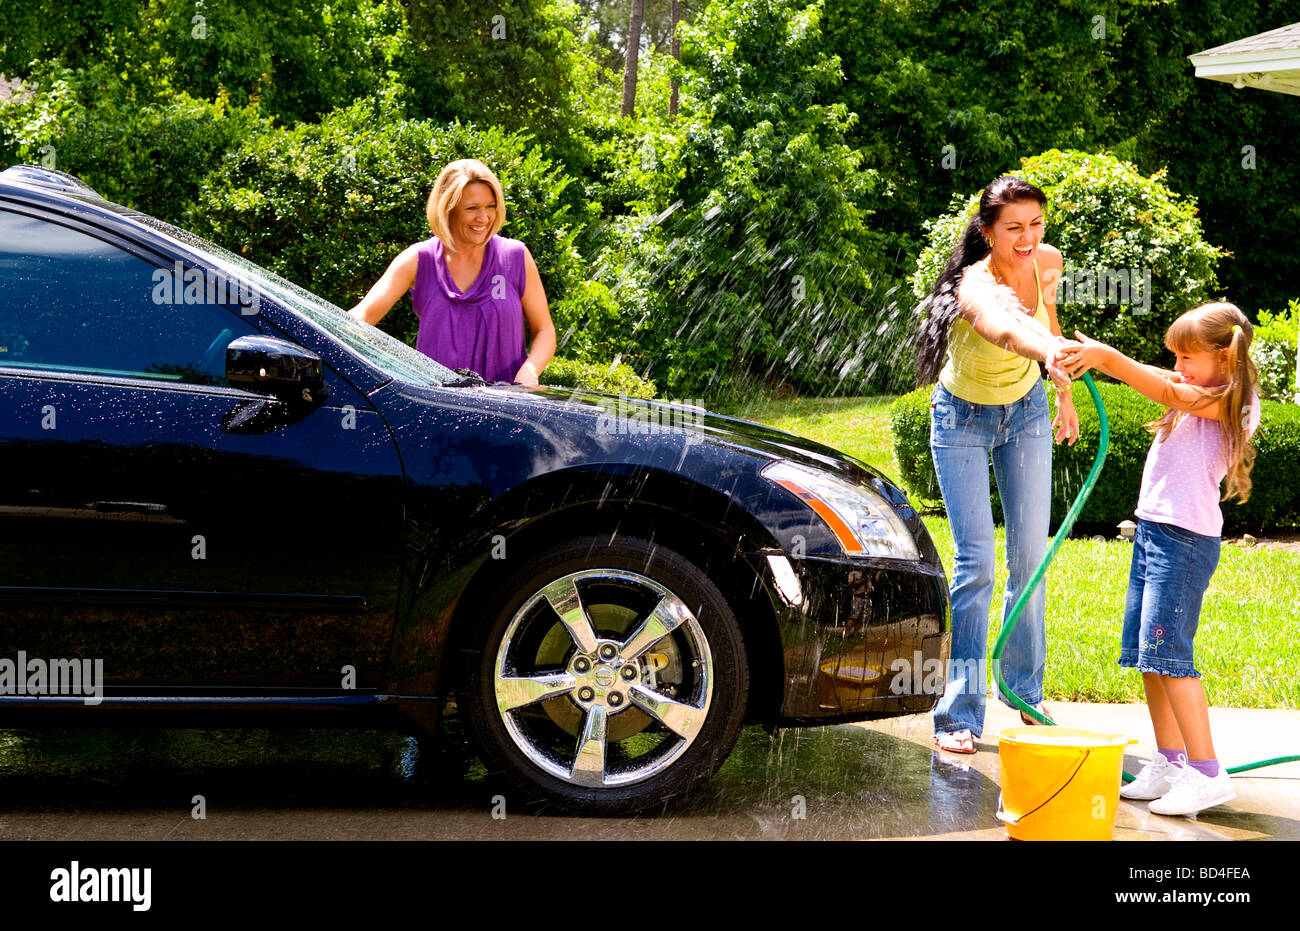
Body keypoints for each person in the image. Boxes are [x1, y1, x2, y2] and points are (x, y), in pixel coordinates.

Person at [1059, 303, 1260, 816]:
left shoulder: (1235, 400)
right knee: (1149, 658)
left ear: (1226, 357)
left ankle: (1206, 772)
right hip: (1154, 532)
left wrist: (1108, 358)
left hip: (1186, 542)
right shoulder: (1198, 387)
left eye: (1188, 356)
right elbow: (1164, 383)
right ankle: (1170, 761)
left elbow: (1172, 391)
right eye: (1176, 357)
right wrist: (1100, 360)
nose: (1179, 366)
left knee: (1171, 658)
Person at [915, 174, 1081, 755]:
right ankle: (959, 710)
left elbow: (1048, 325)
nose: (1028, 237)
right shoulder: (973, 285)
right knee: (977, 563)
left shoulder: (1047, 261)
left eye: (1036, 224)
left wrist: (1061, 389)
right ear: (987, 232)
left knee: (1031, 559)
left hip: (1028, 411)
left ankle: (1023, 690)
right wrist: (1048, 353)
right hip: (961, 418)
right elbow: (1007, 331)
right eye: (1014, 228)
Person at [349, 159, 555, 386]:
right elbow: (361, 317)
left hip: (507, 409)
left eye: (491, 206)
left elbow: (544, 330)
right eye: (472, 208)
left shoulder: (515, 256)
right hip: (440, 409)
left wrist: (530, 370)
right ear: (448, 209)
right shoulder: (418, 260)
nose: (484, 218)